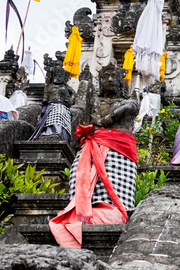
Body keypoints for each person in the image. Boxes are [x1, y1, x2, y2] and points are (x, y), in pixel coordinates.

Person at [50, 63, 138, 248]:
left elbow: (130, 106)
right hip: (92, 147)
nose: (110, 80)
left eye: (114, 77)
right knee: (81, 180)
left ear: (123, 82)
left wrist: (108, 119)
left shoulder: (129, 100)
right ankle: (85, 213)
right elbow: (84, 114)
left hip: (119, 151)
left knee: (116, 189)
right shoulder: (94, 101)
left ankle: (112, 215)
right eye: (105, 77)